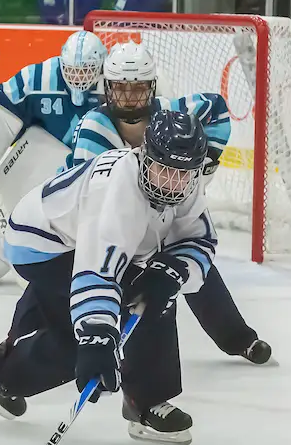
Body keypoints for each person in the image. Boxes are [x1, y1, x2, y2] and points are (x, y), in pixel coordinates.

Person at [0, 108, 214, 445]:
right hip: (42, 246)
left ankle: (147, 401)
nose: (174, 183)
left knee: (155, 300)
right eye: (166, 171)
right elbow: (96, 273)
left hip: (86, 240)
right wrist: (96, 340)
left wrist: (173, 271)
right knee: (79, 341)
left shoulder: (181, 179)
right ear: (144, 156)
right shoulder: (117, 196)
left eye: (184, 173)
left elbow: (198, 238)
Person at [71, 42, 271, 365]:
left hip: (156, 213)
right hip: (102, 226)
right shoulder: (94, 128)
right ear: (107, 88)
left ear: (151, 87)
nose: (129, 97)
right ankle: (20, 351)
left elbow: (215, 108)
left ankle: (239, 339)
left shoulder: (169, 116)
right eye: (120, 89)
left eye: (137, 89)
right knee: (92, 283)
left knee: (186, 264)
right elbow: (93, 206)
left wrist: (201, 166)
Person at [0, 30, 107, 287]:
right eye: (73, 70)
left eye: (86, 70)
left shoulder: (115, 84)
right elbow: (0, 101)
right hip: (40, 165)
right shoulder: (38, 77)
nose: (78, 77)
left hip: (90, 179)